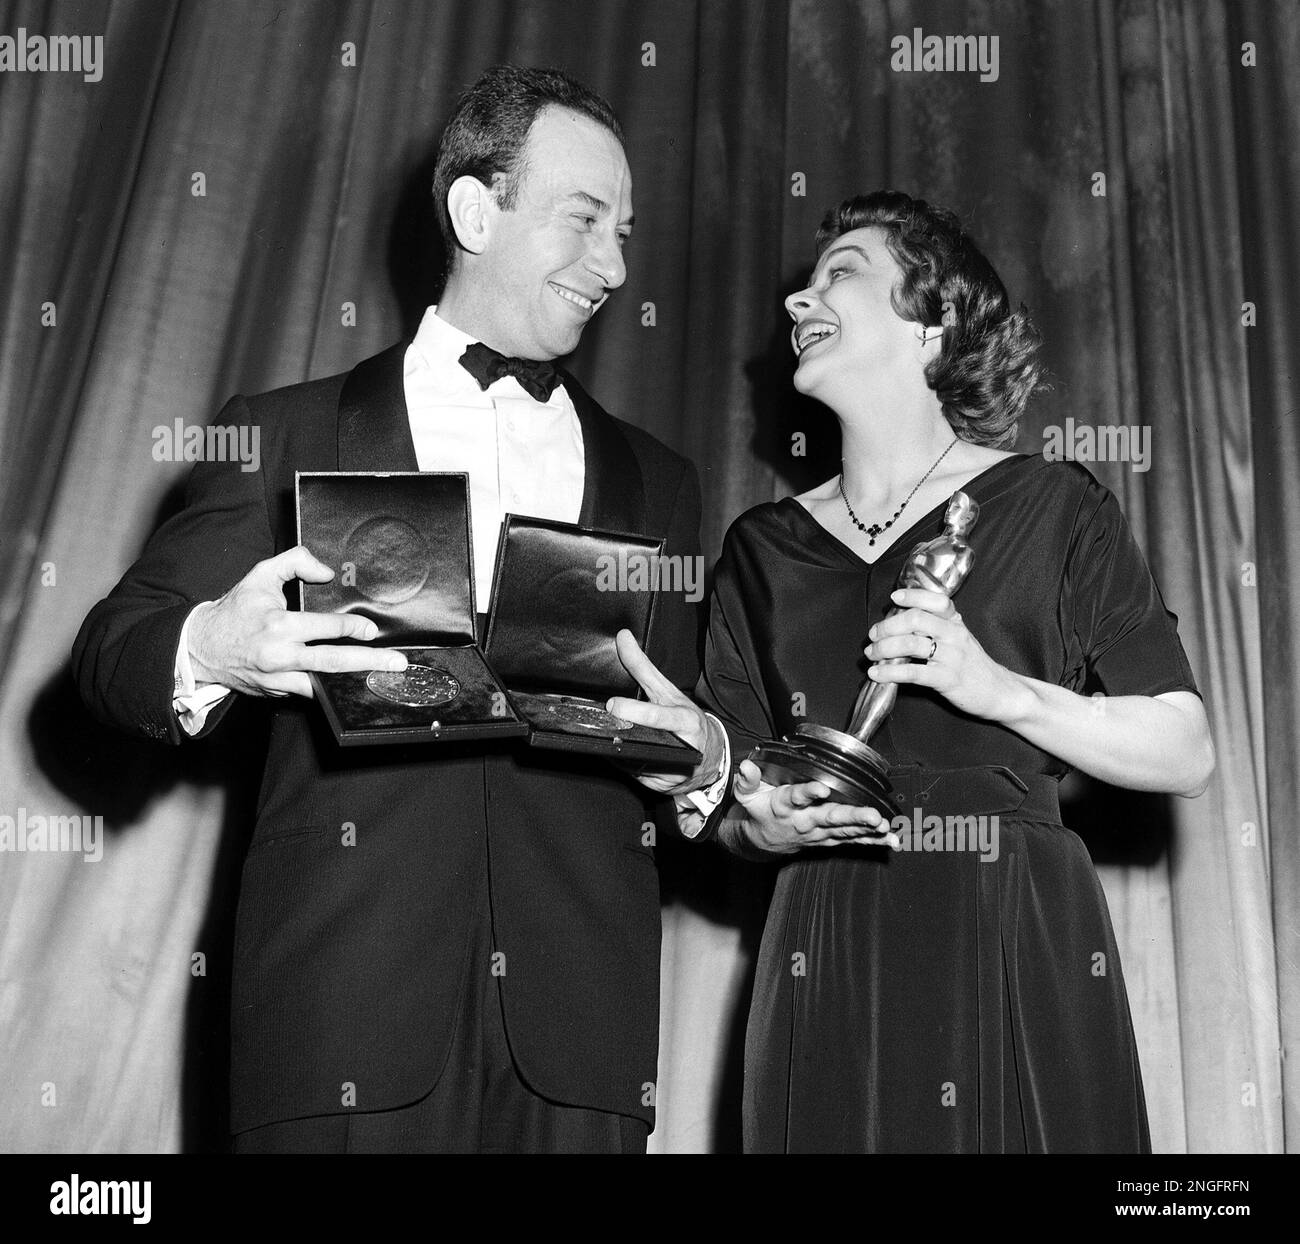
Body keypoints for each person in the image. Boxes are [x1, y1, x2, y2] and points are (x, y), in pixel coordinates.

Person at [72, 65, 726, 1154]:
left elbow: (682, 720)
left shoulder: (663, 480)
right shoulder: (284, 431)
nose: (614, 264)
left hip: (582, 1058)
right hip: (336, 1030)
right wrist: (212, 647)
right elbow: (109, 653)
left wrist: (705, 760)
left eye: (625, 230)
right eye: (584, 220)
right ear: (477, 210)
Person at [694, 191, 1215, 1153]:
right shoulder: (758, 549)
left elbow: (1184, 748)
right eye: (805, 283)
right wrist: (758, 827)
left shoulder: (1052, 503)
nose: (799, 301)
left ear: (933, 328)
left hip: (1010, 916)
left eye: (840, 273)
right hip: (826, 935)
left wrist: (998, 689)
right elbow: (730, 799)